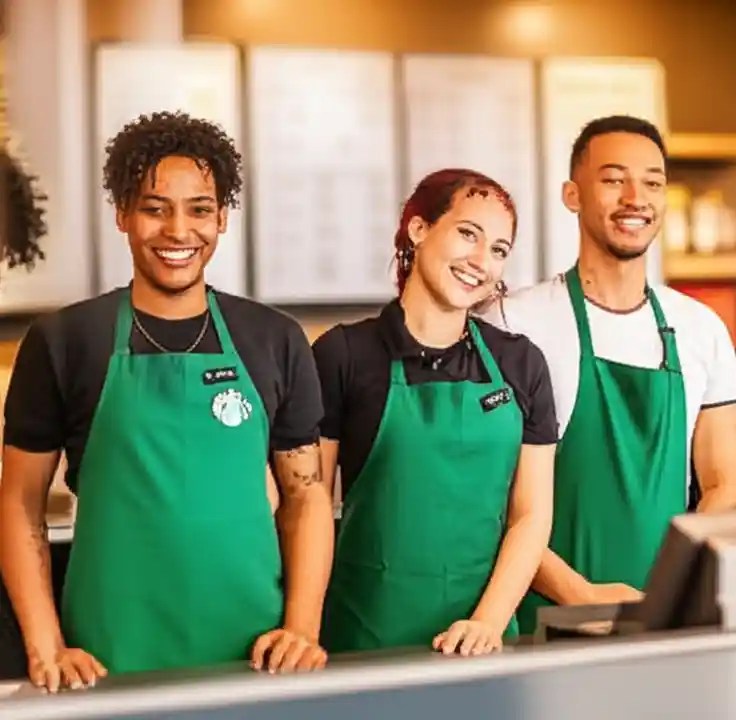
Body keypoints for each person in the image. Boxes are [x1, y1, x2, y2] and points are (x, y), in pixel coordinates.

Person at [0, 111, 333, 691]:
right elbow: (20, 505)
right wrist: (47, 645)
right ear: (123, 215)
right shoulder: (65, 340)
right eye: (155, 208)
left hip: (253, 649)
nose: (178, 230)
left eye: (200, 208)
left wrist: (302, 629)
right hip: (107, 650)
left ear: (222, 217)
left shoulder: (274, 339)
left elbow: (306, 496)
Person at [477, 115, 736, 629]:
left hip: (665, 617)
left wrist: (667, 589)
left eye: (652, 182)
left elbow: (725, 483)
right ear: (572, 195)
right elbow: (483, 498)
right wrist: (577, 594)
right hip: (544, 618)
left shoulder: (701, 328)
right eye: (613, 179)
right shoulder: (512, 322)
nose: (635, 197)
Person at [313, 169, 555, 656]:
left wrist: (487, 622)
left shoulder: (520, 363)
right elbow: (308, 503)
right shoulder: (344, 354)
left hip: (482, 642)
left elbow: (530, 515)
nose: (481, 261)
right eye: (468, 234)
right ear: (418, 229)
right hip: (364, 638)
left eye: (499, 249)